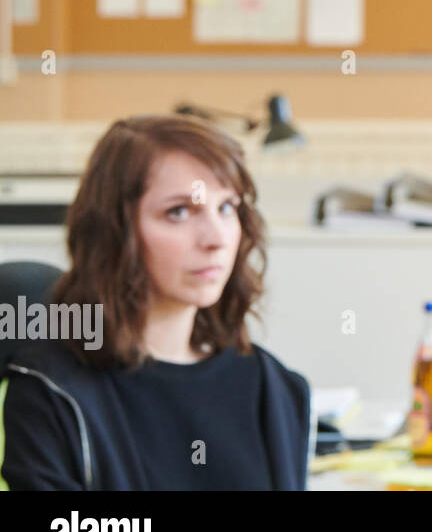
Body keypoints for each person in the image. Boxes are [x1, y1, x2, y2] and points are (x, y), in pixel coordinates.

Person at [0, 115, 310, 490]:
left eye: (227, 207)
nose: (216, 238)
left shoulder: (275, 387)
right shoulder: (50, 393)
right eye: (179, 211)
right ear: (116, 231)